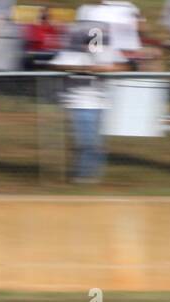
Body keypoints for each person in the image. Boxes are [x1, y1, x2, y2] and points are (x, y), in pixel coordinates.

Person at [50, 19, 124, 183]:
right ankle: (82, 176)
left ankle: (92, 175)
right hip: (79, 102)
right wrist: (82, 68)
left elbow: (121, 65)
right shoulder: (71, 51)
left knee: (97, 143)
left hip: (101, 102)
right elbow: (56, 65)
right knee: (87, 142)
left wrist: (102, 68)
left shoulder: (106, 50)